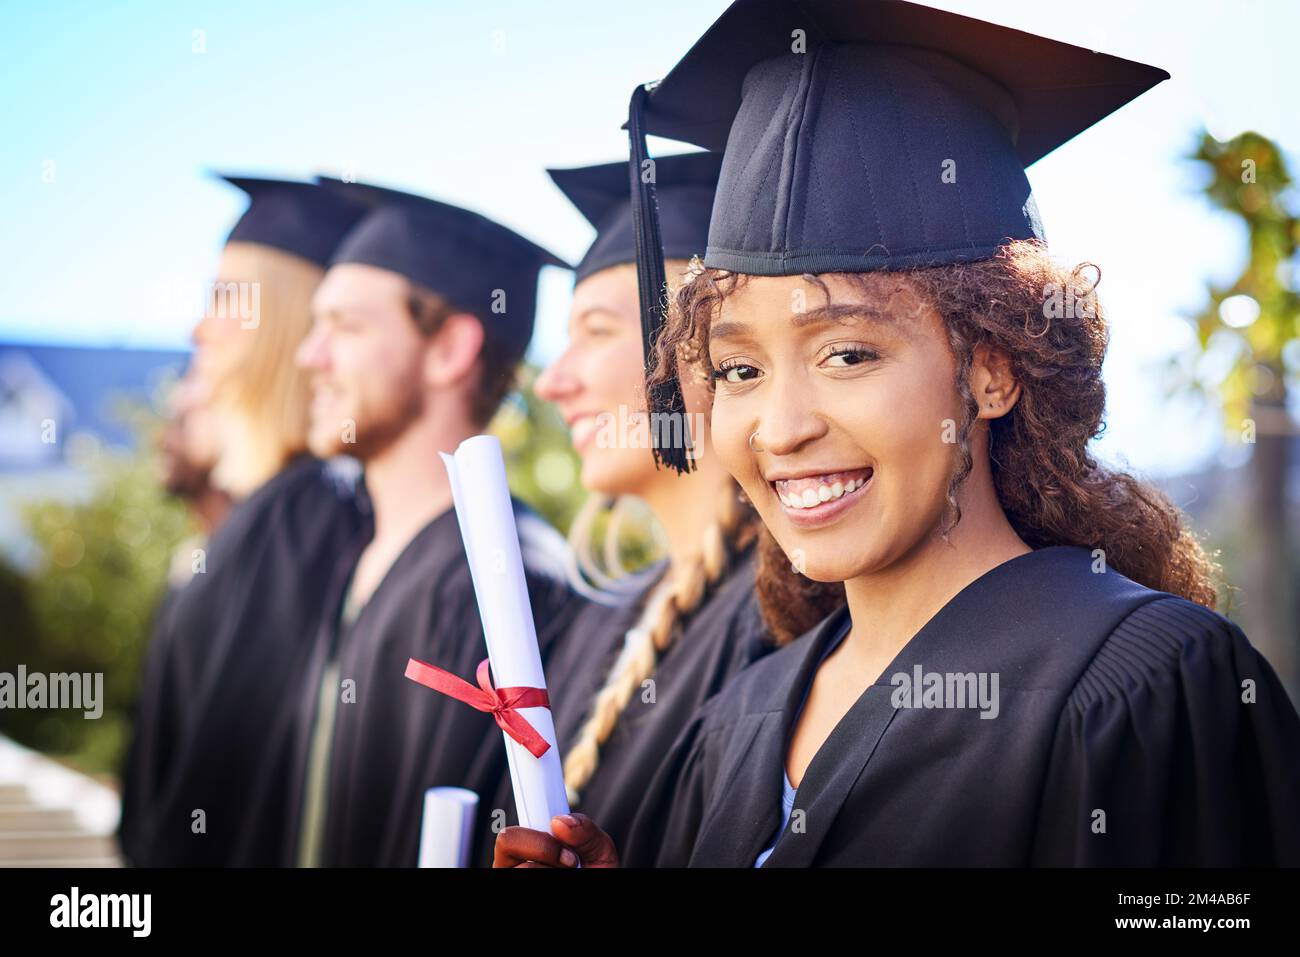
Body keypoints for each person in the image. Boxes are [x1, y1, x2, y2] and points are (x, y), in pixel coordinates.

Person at [494, 0, 1300, 868]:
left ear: (993, 369)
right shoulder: (738, 718)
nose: (783, 427)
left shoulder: (1145, 684)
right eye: (739, 371)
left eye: (846, 354)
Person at [485, 153, 839, 861]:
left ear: (706, 346)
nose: (553, 381)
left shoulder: (788, 618)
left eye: (595, 330)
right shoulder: (600, 623)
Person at [285, 178, 580, 867]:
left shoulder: (509, 585)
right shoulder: (350, 553)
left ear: (450, 349)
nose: (311, 357)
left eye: (345, 327)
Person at [120, 175, 370, 866]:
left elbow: (239, 782)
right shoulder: (262, 511)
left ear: (285, 317)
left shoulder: (308, 514)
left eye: (228, 300)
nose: (200, 326)